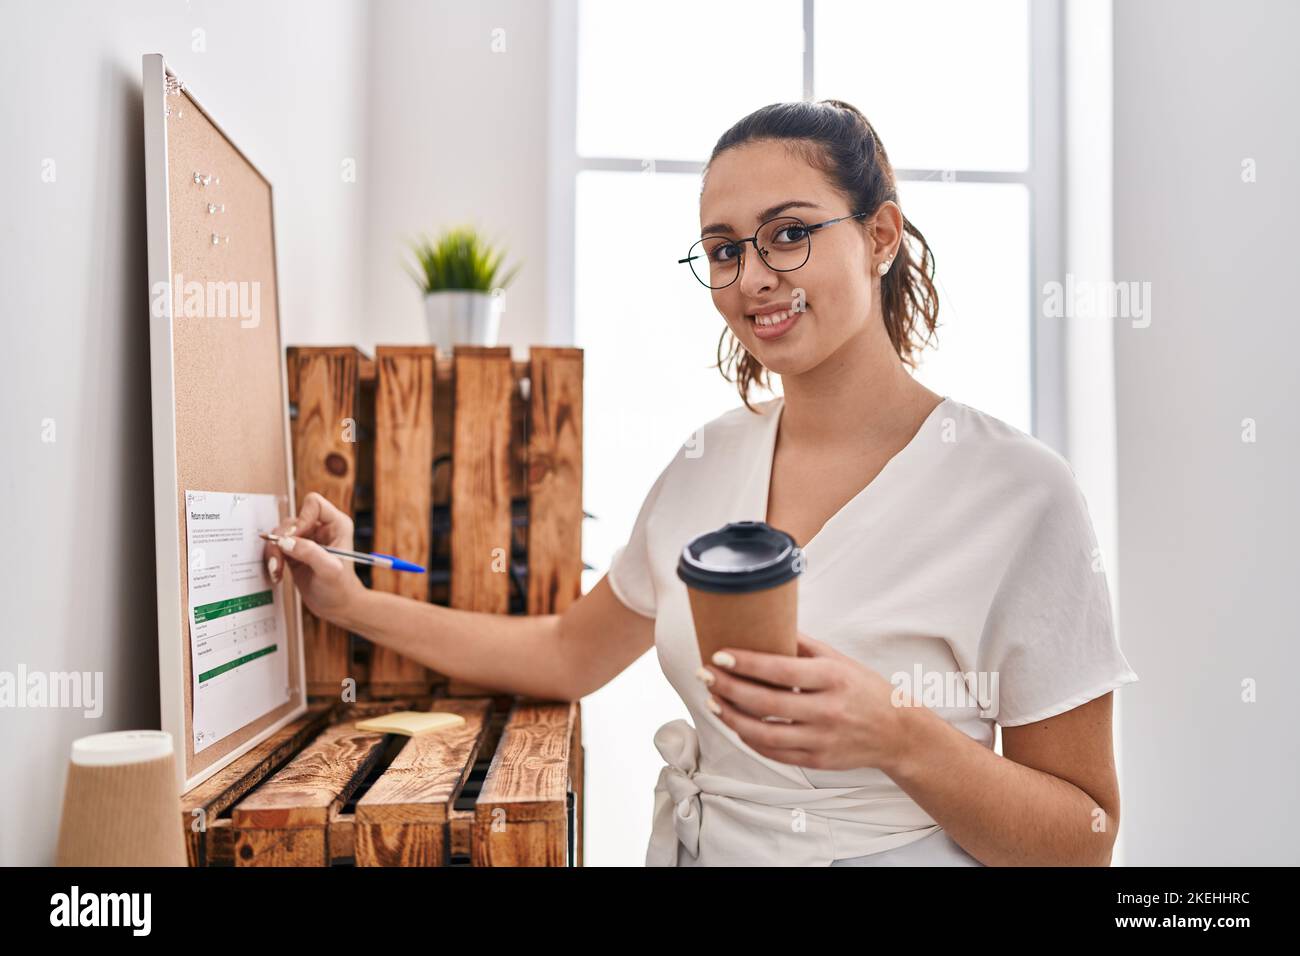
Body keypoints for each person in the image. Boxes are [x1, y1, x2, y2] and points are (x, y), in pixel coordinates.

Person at [265, 99, 1138, 867]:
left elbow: (1084, 839)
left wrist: (901, 735)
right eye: (724, 249)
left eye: (790, 233)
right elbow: (569, 654)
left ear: (880, 236)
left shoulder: (1020, 493)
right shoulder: (706, 464)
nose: (753, 277)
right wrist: (348, 602)